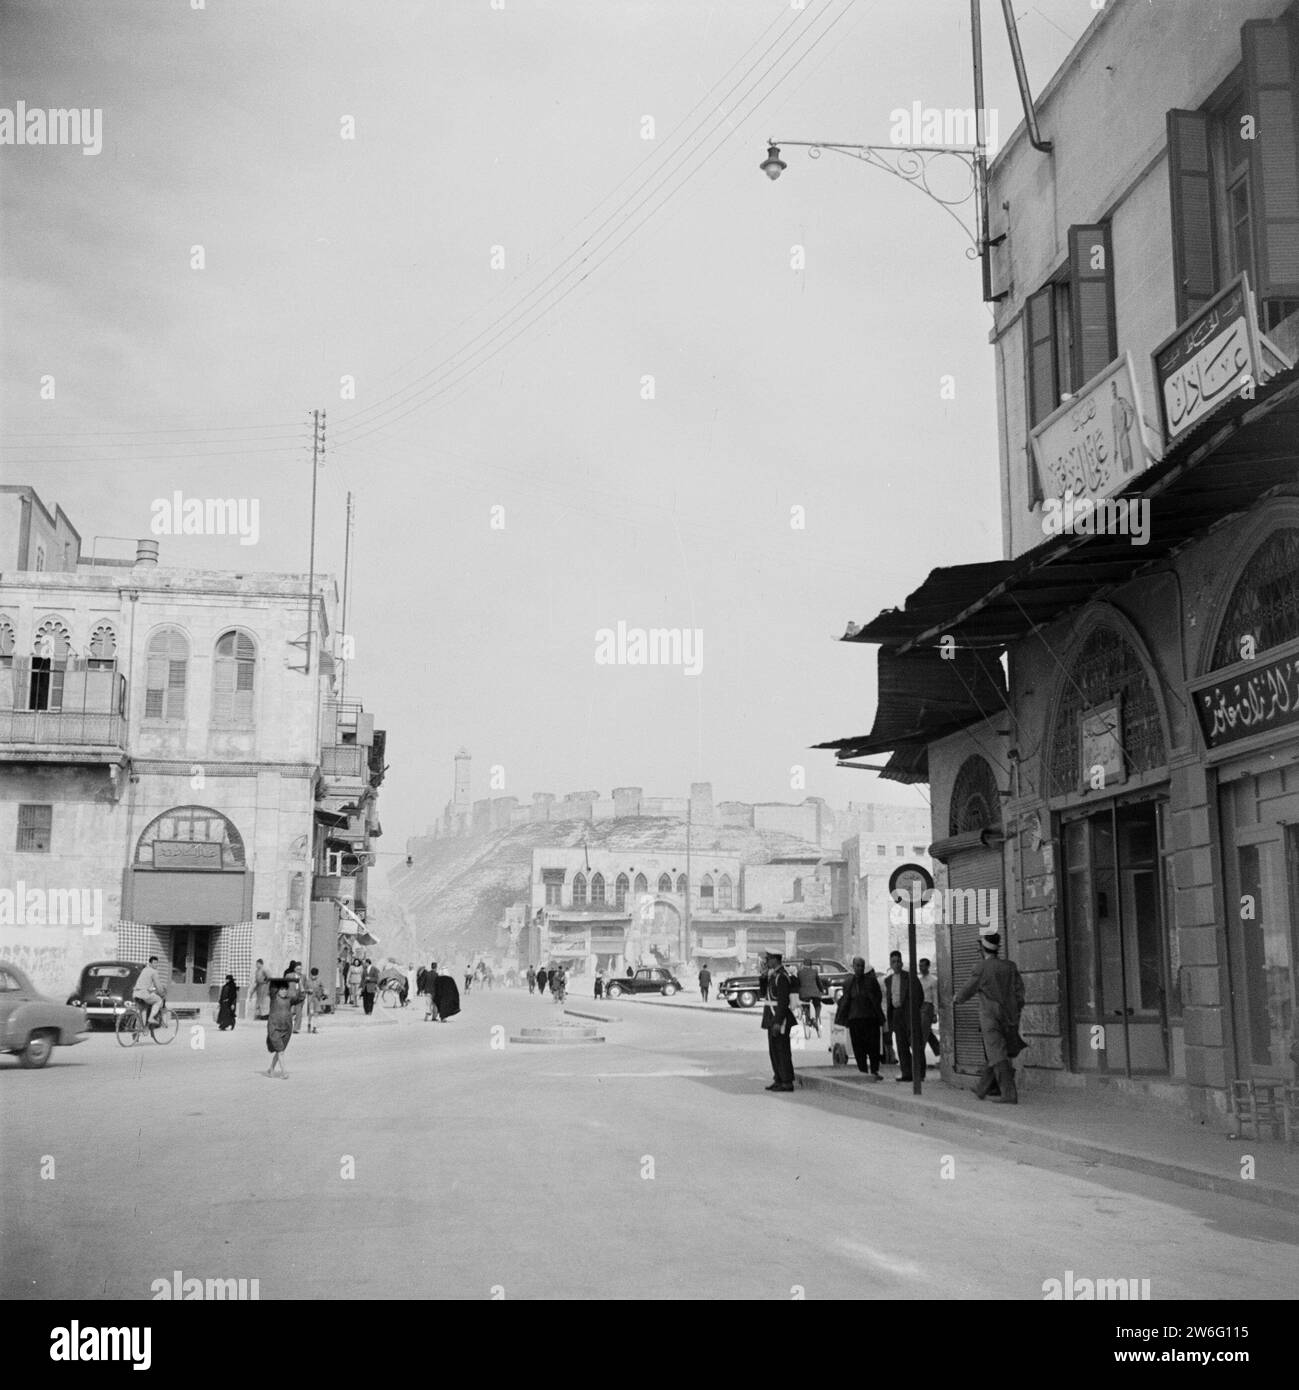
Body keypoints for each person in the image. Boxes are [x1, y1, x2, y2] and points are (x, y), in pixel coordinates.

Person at [954, 933, 1026, 1104]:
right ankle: (982, 1088)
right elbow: (1020, 993)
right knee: (997, 1051)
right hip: (1010, 1017)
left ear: (982, 948)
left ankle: (1009, 1093)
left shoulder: (981, 968)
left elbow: (966, 991)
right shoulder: (1010, 966)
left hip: (990, 1017)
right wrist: (1015, 1010)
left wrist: (957, 998)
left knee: (997, 1053)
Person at [837, 957, 883, 1078]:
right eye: (857, 966)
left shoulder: (871, 981)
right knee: (858, 1047)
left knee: (873, 1046)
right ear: (853, 967)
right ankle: (862, 1070)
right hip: (855, 1018)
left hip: (870, 1018)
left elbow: (878, 996)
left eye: (862, 966)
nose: (859, 968)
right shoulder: (848, 982)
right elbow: (845, 999)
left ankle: (874, 1070)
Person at [885, 950, 924, 1082]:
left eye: (898, 961)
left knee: (914, 1043)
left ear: (901, 963)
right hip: (896, 1013)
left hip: (909, 1012)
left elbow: (919, 996)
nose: (896, 964)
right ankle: (906, 1073)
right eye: (893, 962)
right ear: (890, 964)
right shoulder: (888, 980)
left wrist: (913, 1011)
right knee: (901, 1044)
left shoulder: (910, 977)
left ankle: (919, 1072)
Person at [759, 951, 796, 1092]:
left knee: (782, 1050)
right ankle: (779, 1078)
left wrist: (777, 1021)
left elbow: (783, 1001)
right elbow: (763, 994)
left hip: (779, 1018)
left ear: (775, 959)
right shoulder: (773, 975)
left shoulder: (782, 977)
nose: (766, 961)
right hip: (771, 1017)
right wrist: (762, 978)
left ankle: (787, 1081)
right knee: (774, 1051)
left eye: (768, 959)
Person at [265, 982, 293, 1079]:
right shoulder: (274, 999)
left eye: (286, 989)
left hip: (286, 1029)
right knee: (280, 1051)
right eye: (281, 989)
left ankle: (271, 1069)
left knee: (279, 1051)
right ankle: (284, 1072)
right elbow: (272, 989)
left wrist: (300, 983)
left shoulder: (289, 1000)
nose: (284, 991)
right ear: (277, 991)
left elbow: (300, 997)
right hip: (275, 1028)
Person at [133, 955, 166, 1029]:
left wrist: (151, 989)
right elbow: (159, 986)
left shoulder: (144, 970)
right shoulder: (154, 972)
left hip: (135, 993)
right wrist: (162, 994)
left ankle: (139, 1030)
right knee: (158, 1001)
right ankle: (151, 1018)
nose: (156, 965)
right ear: (150, 963)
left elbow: (145, 983)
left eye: (157, 963)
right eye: (154, 963)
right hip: (144, 994)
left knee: (143, 1009)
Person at [918, 958, 941, 1058]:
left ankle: (920, 1053)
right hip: (919, 1006)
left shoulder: (933, 980)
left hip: (928, 1006)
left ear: (928, 966)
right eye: (920, 966)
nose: (921, 968)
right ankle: (939, 1051)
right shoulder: (919, 980)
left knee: (923, 1032)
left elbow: (935, 997)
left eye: (923, 965)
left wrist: (935, 1013)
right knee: (927, 1031)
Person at [795, 957, 825, 1033]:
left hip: (804, 994)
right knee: (818, 1005)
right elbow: (819, 983)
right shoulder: (815, 971)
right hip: (815, 993)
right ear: (811, 965)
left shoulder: (799, 972)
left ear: (803, 964)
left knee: (805, 1005)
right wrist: (822, 990)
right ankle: (816, 1018)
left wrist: (797, 992)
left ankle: (808, 1019)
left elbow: (798, 984)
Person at [284, 960, 305, 1034]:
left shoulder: (303, 976)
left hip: (299, 996)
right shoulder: (289, 976)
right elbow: (284, 985)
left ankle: (296, 1028)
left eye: (300, 969)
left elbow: (306, 985)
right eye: (298, 969)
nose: (299, 970)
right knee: (290, 1012)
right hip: (290, 995)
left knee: (299, 1013)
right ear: (295, 969)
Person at [306, 967, 326, 1033]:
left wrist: (323, 992)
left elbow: (323, 987)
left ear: (317, 975)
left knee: (316, 1013)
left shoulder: (319, 980)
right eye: (312, 975)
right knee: (311, 1012)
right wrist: (308, 990)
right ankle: (309, 1024)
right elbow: (305, 989)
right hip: (311, 998)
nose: (314, 976)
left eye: (315, 975)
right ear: (311, 974)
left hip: (317, 998)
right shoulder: (308, 980)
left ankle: (314, 1027)